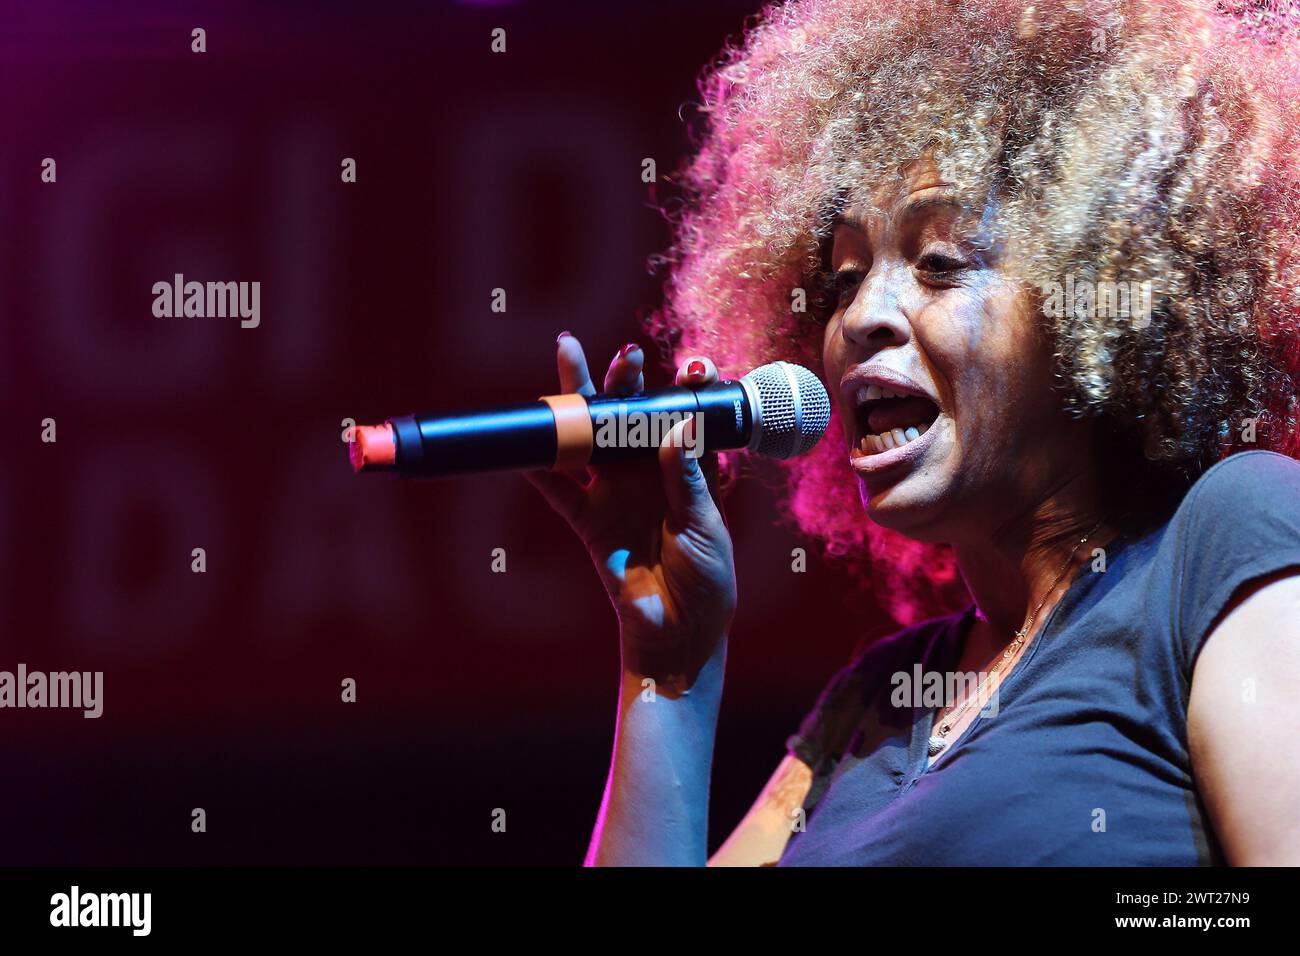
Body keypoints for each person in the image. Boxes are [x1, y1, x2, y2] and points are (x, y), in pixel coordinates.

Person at [525, 0, 1300, 865]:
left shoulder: (1224, 541)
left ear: (1096, 301)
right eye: (845, 276)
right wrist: (670, 670)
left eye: (940, 264)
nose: (862, 316)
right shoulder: (872, 706)